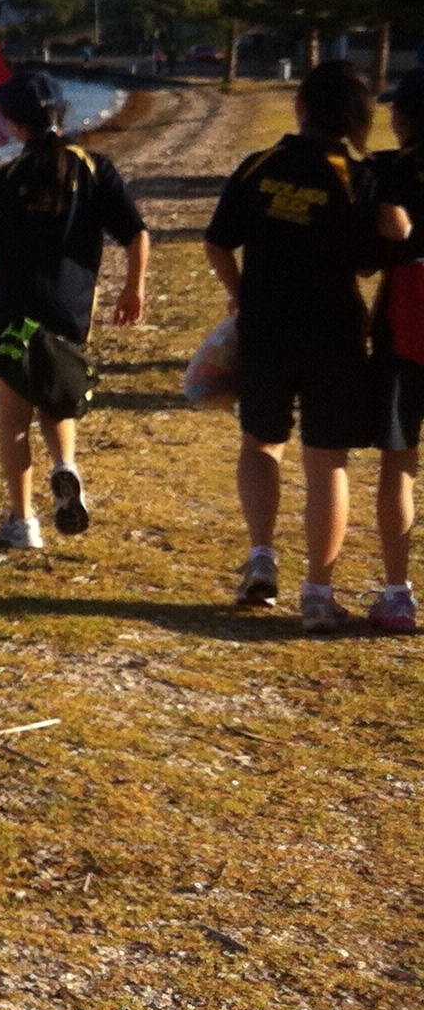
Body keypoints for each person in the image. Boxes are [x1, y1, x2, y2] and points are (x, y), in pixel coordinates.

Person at [203, 59, 401, 631]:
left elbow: (217, 245)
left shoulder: (259, 165)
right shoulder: (360, 178)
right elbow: (373, 260)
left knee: (261, 442)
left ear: (301, 107)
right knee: (326, 462)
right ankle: (318, 593)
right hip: (335, 332)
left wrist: (238, 296)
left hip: (265, 327)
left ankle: (261, 557)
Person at [0, 72, 149, 548]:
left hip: (11, 309)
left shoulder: (4, 179)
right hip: (69, 308)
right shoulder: (93, 168)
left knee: (13, 417)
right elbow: (135, 233)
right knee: (57, 394)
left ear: (12, 123)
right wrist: (133, 288)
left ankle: (23, 522)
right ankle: (64, 467)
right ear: (61, 112)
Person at [360, 70, 424, 631]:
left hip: (405, 328)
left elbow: (376, 248)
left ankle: (397, 593)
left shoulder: (387, 171)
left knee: (398, 465)